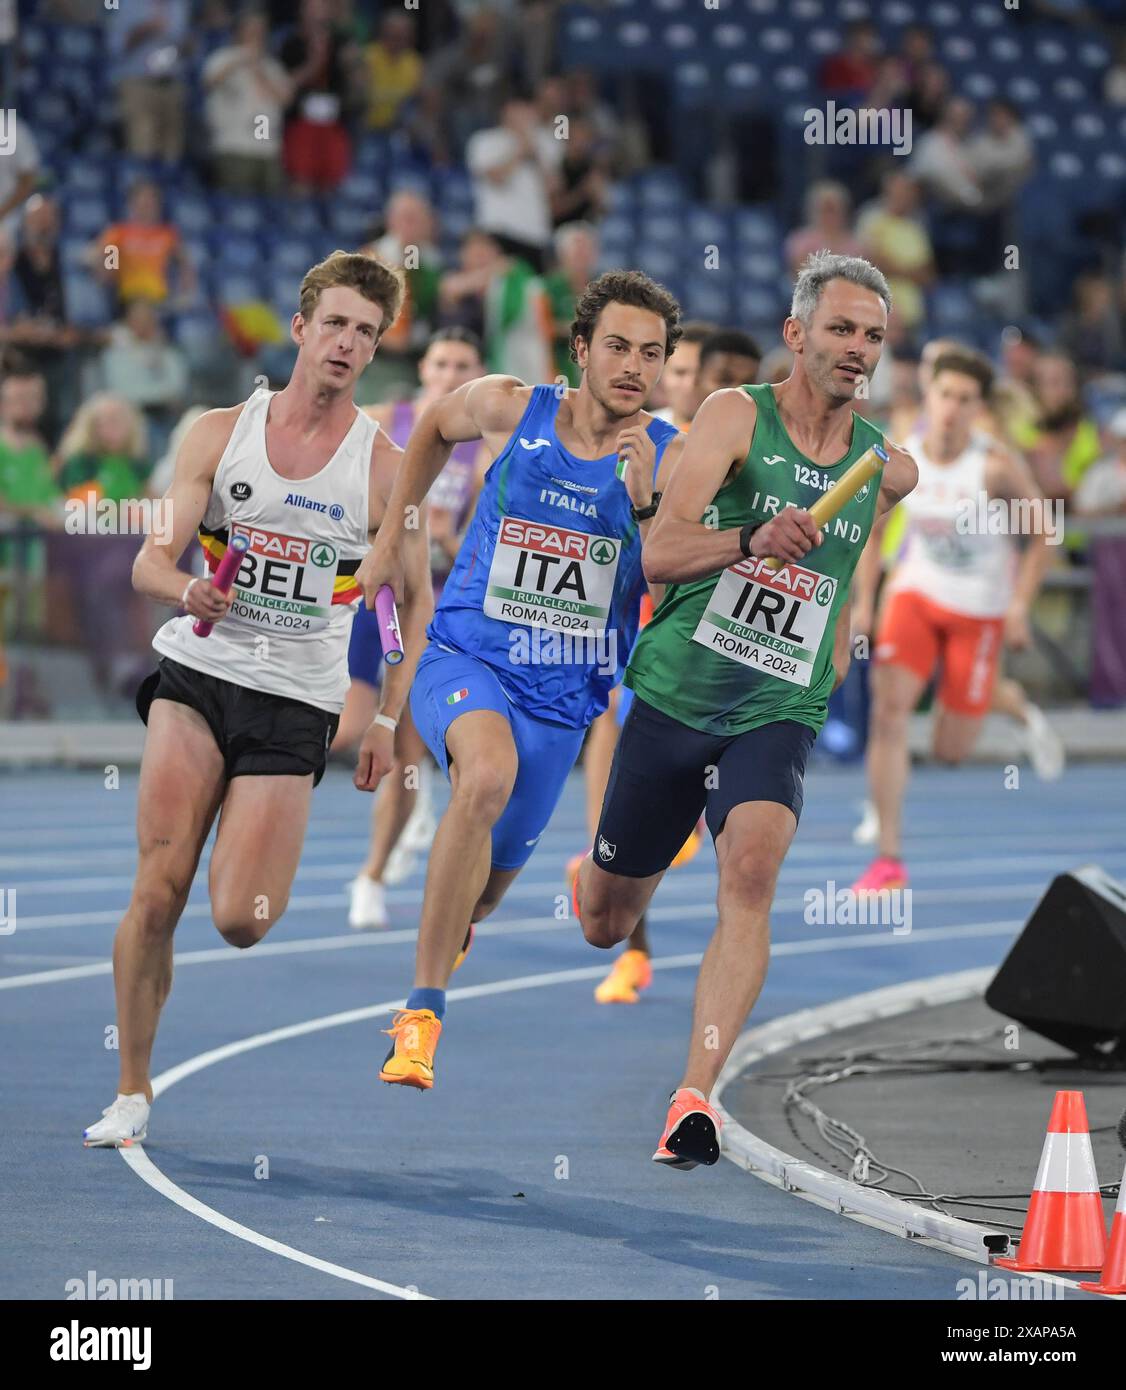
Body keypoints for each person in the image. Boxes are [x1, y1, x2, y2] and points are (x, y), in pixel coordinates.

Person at [573, 251, 918, 1169]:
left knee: (752, 872)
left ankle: (696, 1097)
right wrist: (752, 537)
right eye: (841, 330)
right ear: (796, 335)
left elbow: (864, 535)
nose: (858, 349)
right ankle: (595, 871)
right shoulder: (734, 418)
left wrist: (840, 625)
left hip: (778, 701)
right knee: (605, 920)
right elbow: (660, 554)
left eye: (874, 337)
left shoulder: (882, 465)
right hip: (681, 691)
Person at [81, 251, 433, 1147]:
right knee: (156, 892)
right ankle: (131, 1091)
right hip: (198, 675)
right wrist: (185, 589)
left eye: (368, 331)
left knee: (240, 919)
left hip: (296, 702)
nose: (349, 343)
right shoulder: (217, 432)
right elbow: (150, 561)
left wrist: (389, 719)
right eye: (338, 324)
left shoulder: (385, 470)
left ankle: (210, 907)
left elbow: (412, 603)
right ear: (301, 329)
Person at [357, 269, 686, 1090]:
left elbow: (675, 590)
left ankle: (456, 925)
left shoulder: (670, 459)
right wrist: (396, 537)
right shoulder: (514, 406)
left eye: (650, 353)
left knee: (485, 894)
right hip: (468, 659)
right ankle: (421, 1015)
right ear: (580, 349)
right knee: (485, 775)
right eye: (616, 345)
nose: (632, 365)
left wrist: (646, 508)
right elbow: (432, 426)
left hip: (564, 702)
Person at [575, 324, 762, 1005]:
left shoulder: (755, 461)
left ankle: (648, 853)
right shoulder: (649, 440)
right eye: (695, 374)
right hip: (636, 632)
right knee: (611, 786)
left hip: (713, 651)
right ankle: (633, 949)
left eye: (740, 377)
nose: (710, 387)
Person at [850, 348, 1055, 894]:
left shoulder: (993, 465)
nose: (952, 409)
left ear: (978, 408)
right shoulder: (904, 455)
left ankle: (1007, 700)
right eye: (945, 395)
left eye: (965, 400)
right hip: (916, 593)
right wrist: (866, 603)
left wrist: (1018, 606)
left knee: (949, 750)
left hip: (980, 609)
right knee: (889, 716)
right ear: (929, 396)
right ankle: (889, 856)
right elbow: (871, 531)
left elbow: (1043, 535)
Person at [342, 327, 489, 927]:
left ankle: (370, 876)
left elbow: (477, 540)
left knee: (401, 745)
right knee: (350, 726)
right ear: (424, 369)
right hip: (367, 590)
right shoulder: (383, 419)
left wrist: (443, 535)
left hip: (433, 599)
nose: (451, 373)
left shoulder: (486, 448)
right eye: (442, 361)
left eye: (464, 363)